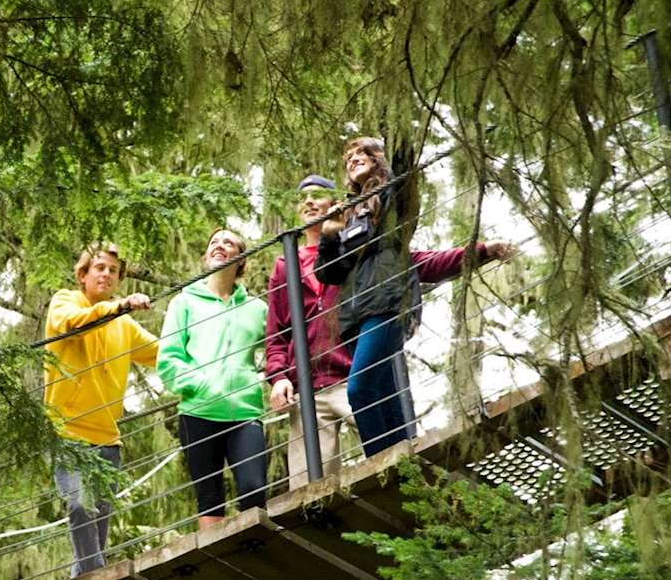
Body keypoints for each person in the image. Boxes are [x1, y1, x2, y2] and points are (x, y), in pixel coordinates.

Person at [316, 137, 516, 456]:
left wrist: (482, 251)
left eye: (362, 154)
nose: (353, 159)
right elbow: (328, 273)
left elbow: (426, 258)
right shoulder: (346, 215)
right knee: (385, 397)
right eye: (348, 157)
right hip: (353, 317)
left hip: (389, 305)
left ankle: (382, 465)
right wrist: (328, 236)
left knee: (360, 388)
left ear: (379, 158)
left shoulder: (393, 198)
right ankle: (403, 462)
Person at [44, 242, 157, 578]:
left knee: (97, 530)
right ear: (83, 274)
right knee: (79, 507)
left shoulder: (122, 324)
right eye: (99, 267)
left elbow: (160, 353)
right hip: (68, 435)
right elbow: (72, 324)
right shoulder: (65, 300)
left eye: (113, 270)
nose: (106, 274)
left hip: (108, 441)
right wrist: (120, 307)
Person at [157, 228, 269, 529]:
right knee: (210, 499)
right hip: (198, 412)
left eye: (228, 242)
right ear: (206, 255)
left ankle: (255, 551)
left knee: (253, 487)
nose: (219, 246)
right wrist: (202, 385)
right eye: (214, 242)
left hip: (244, 412)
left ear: (240, 259)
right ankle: (223, 564)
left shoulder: (257, 309)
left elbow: (279, 349)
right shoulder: (185, 303)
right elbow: (168, 359)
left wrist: (279, 380)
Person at [265, 176, 355, 490]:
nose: (309, 202)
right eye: (303, 197)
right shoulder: (284, 264)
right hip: (307, 387)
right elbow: (276, 332)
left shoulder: (351, 245)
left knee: (390, 445)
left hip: (353, 374)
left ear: (334, 203)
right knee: (307, 489)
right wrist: (278, 377)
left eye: (318, 195)